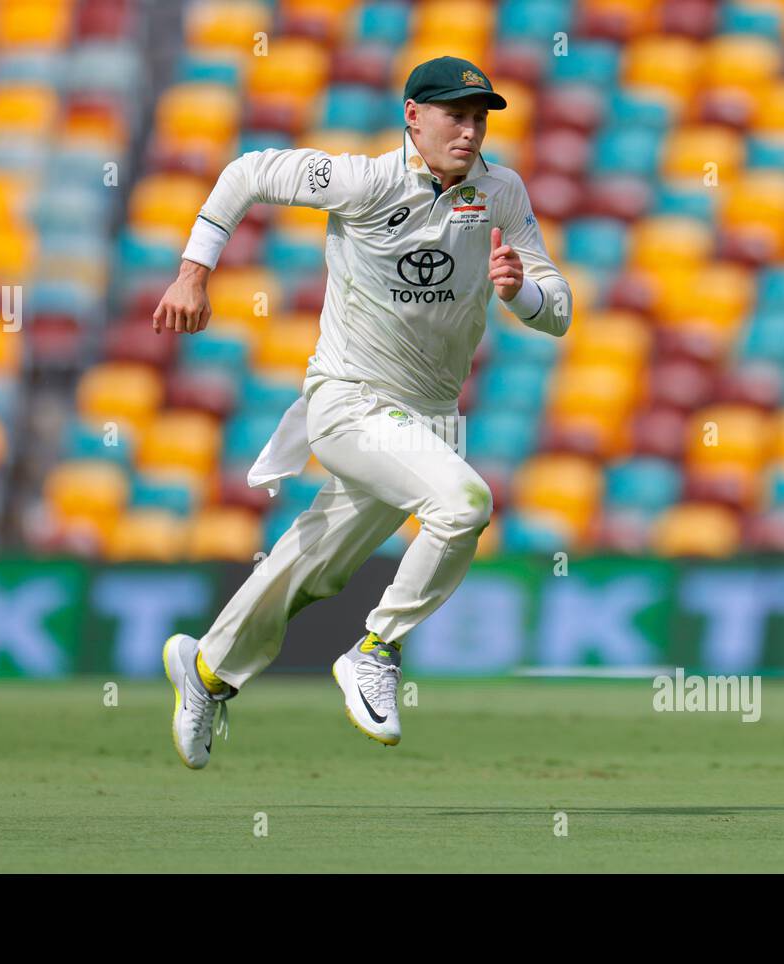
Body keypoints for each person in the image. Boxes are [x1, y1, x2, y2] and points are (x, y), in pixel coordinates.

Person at [151, 56, 573, 768]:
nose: (469, 132)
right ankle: (376, 650)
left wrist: (519, 293)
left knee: (313, 566)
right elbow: (248, 172)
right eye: (454, 116)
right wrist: (194, 273)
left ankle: (206, 671)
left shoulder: (499, 192)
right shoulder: (365, 181)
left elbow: (556, 309)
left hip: (428, 416)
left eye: (478, 119)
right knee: (465, 504)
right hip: (349, 400)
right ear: (413, 116)